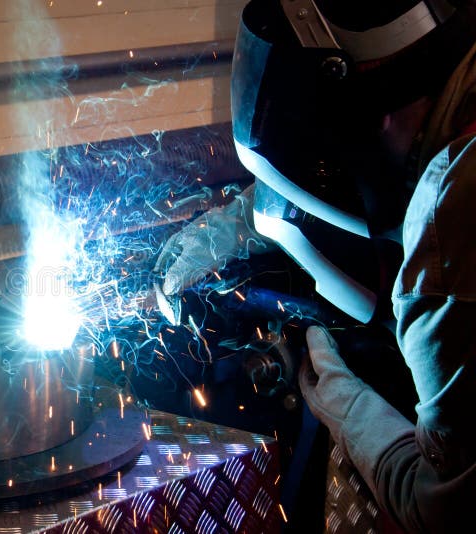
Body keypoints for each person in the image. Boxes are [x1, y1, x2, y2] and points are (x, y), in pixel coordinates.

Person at [155, 1, 476, 532]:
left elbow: (447, 509)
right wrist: (249, 213)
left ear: (375, 110)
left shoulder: (448, 237)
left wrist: (351, 413)